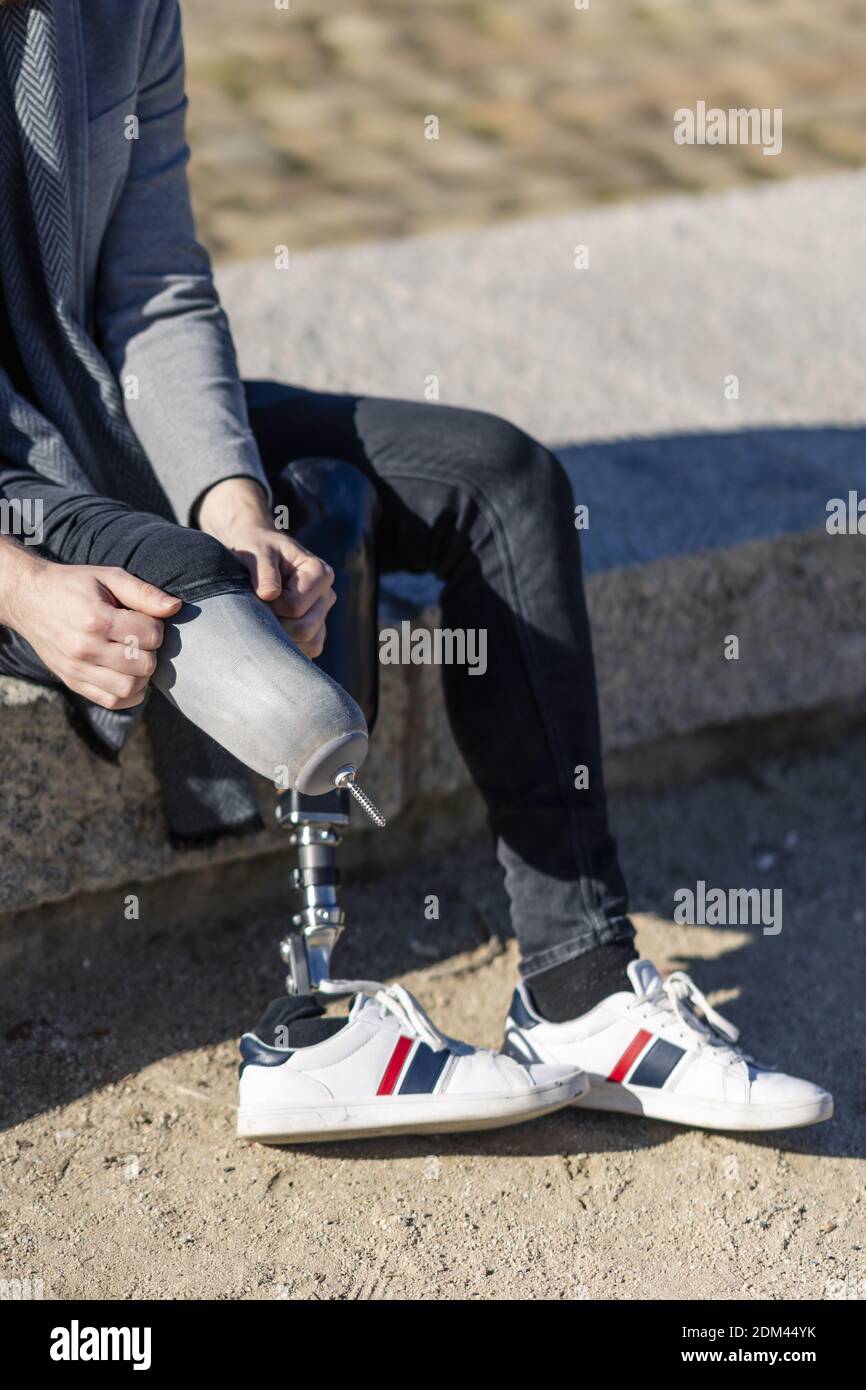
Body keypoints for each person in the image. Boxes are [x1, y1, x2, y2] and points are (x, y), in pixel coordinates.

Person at [0, 0, 831, 1142]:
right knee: (210, 605)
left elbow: (153, 289)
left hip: (100, 420)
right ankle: (312, 1027)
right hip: (11, 492)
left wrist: (237, 503)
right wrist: (15, 584)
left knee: (502, 481)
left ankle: (580, 994)